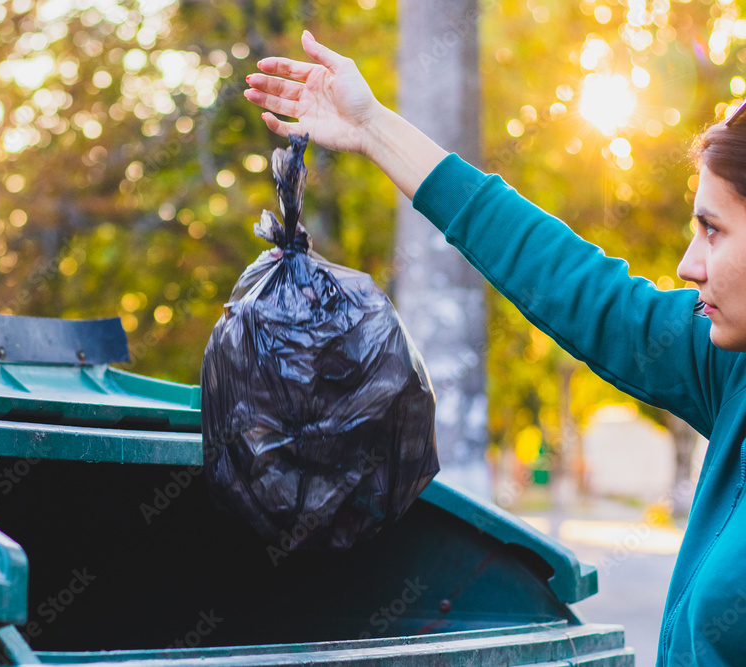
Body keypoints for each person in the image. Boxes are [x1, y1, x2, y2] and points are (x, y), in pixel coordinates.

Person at [244, 30, 746, 667]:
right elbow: (570, 281)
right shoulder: (728, 364)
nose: (687, 263)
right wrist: (374, 128)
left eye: (712, 229)